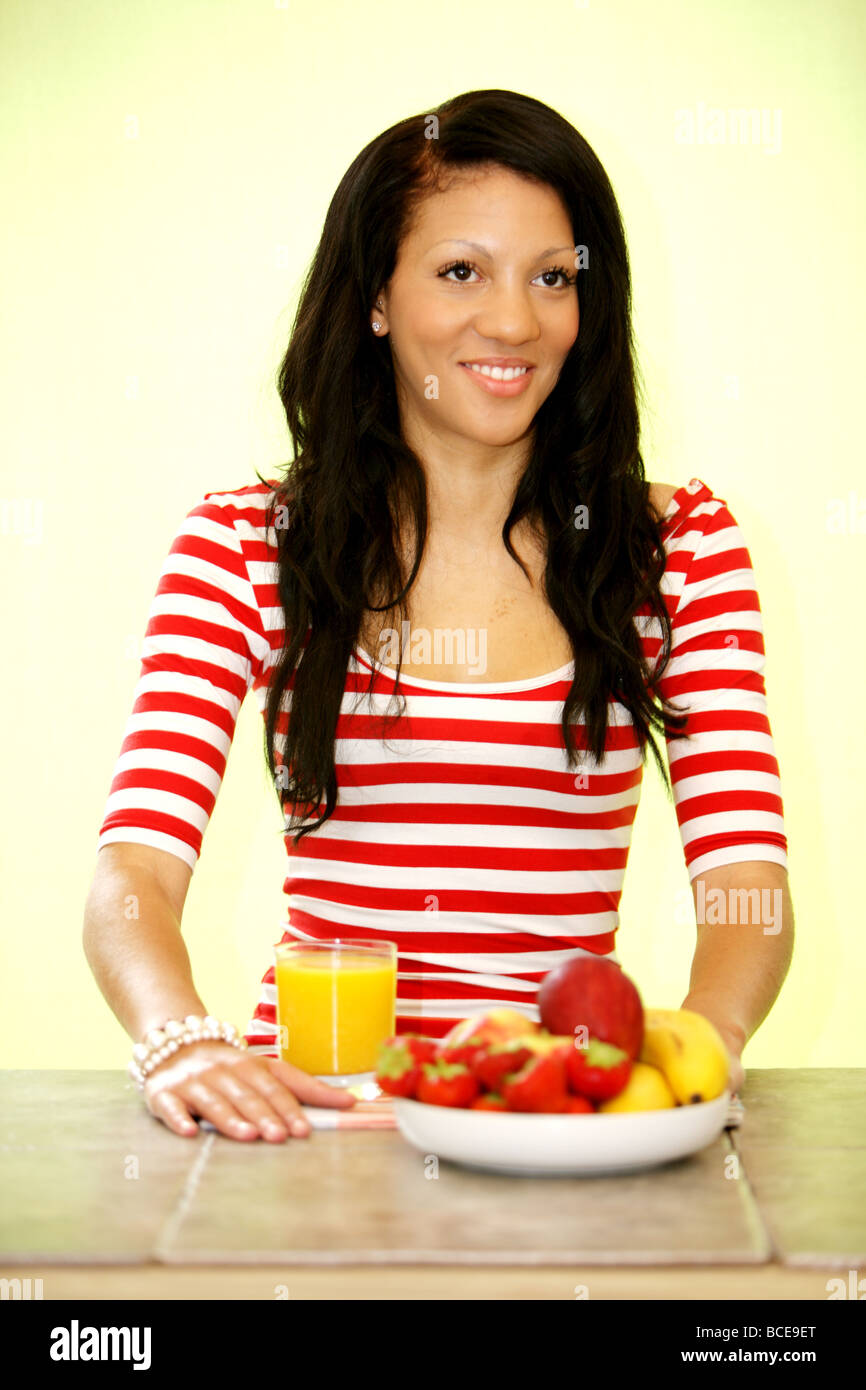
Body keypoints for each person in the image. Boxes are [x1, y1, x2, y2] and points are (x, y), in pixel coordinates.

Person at [84, 88, 793, 1142]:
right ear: (376, 297)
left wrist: (702, 1051)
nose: (512, 321)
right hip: (312, 1126)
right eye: (460, 270)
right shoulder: (246, 546)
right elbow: (132, 871)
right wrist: (177, 1035)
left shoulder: (674, 550)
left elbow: (745, 880)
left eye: (552, 278)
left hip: (557, 1121)